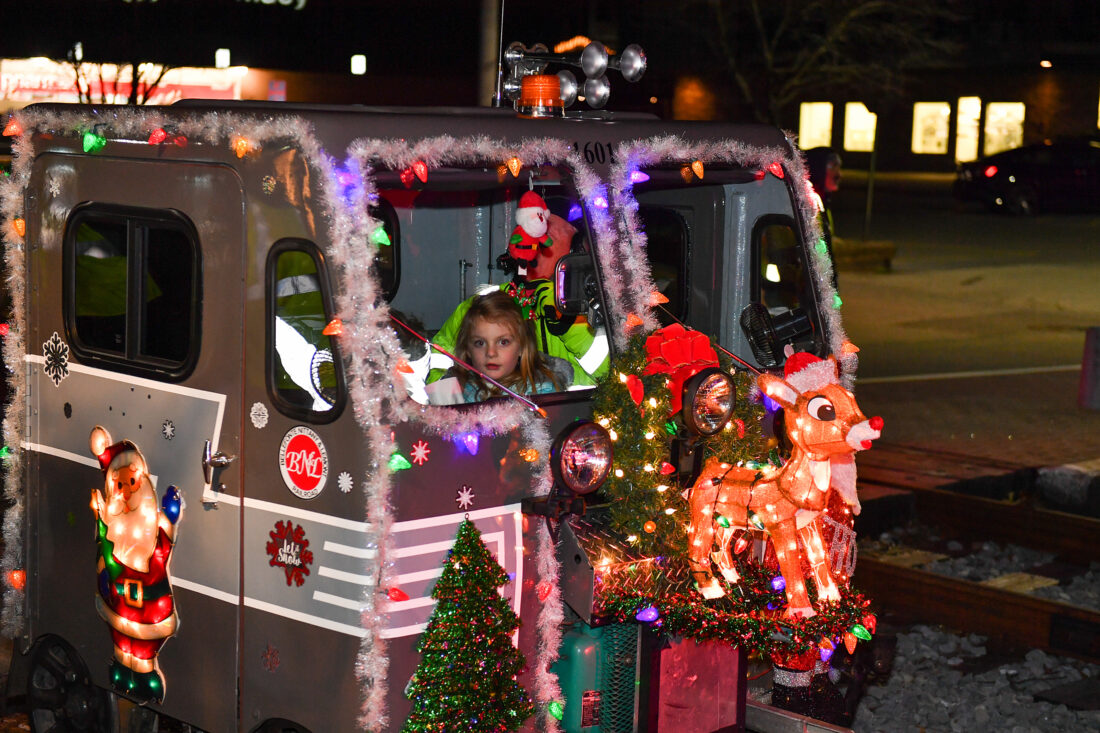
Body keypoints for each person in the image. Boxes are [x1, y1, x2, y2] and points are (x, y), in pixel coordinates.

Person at [427, 212, 609, 388]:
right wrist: (455, 401)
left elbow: (609, 375)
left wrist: (565, 320)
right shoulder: (482, 305)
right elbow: (439, 357)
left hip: (568, 414)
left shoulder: (586, 307)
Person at [451, 291, 569, 403]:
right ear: (467, 349)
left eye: (503, 342)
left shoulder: (541, 393)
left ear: (522, 346)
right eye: (480, 343)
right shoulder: (456, 391)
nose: (491, 353)